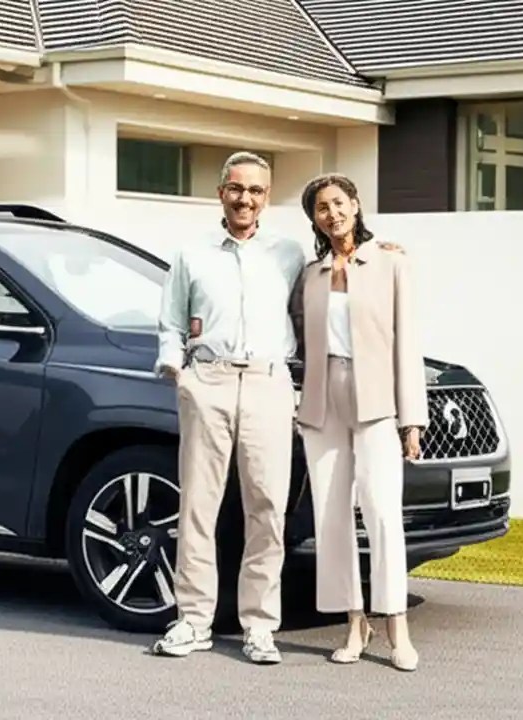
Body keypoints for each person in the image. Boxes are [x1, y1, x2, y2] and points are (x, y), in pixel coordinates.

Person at [150, 152, 306, 664]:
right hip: (208, 381)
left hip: (267, 383)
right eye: (237, 189)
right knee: (198, 505)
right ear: (221, 192)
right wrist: (179, 371)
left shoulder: (289, 254)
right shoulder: (192, 254)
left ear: (267, 197)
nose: (246, 199)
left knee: (267, 507)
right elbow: (171, 322)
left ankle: (260, 626)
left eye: (256, 191)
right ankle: (192, 621)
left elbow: (312, 313)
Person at [289, 173, 427, 672]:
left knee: (382, 512)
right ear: (315, 219)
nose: (332, 213)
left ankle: (396, 627)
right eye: (321, 207)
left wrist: (412, 420)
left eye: (338, 203)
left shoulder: (391, 263)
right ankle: (354, 623)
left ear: (356, 205)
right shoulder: (309, 275)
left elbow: (406, 343)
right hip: (323, 405)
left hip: (377, 404)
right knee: (331, 517)